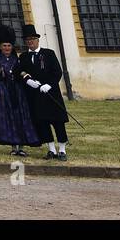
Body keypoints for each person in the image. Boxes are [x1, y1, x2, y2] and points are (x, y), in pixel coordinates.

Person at [16, 24, 70, 160]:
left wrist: (49, 85)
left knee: (58, 122)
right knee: (42, 122)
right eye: (28, 40)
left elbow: (57, 72)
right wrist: (28, 80)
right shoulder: (23, 56)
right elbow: (20, 71)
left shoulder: (49, 53)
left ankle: (62, 150)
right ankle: (51, 149)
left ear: (38, 40)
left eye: (33, 39)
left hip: (51, 93)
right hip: (35, 95)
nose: (30, 42)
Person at [0, 24, 41, 156]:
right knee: (8, 118)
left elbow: (21, 73)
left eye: (9, 46)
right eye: (4, 45)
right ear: (0, 46)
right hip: (1, 91)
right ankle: (13, 146)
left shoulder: (17, 59)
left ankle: (21, 146)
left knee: (19, 117)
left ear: (12, 47)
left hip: (17, 91)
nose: (7, 48)